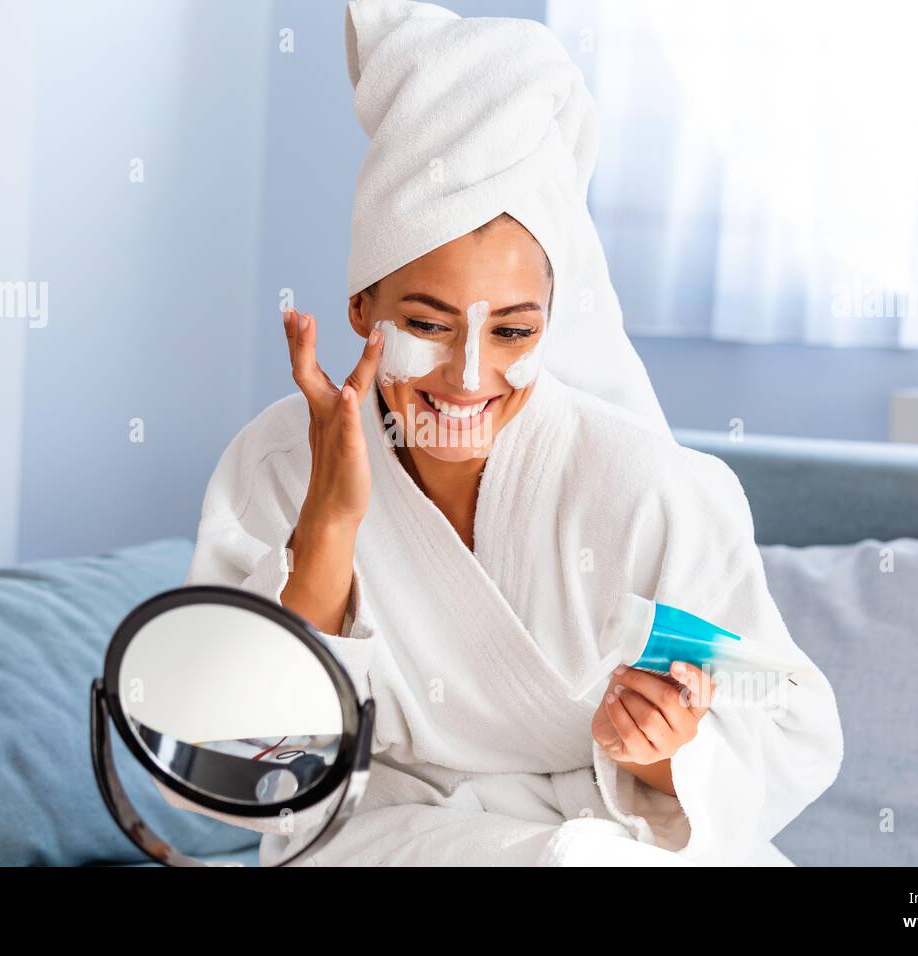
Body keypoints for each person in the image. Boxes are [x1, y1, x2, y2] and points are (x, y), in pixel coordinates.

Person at [155, 0, 843, 866]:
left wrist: (664, 761)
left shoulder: (653, 488)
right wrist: (328, 524)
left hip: (622, 838)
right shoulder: (278, 467)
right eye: (428, 324)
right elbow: (237, 773)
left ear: (554, 323)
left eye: (513, 332)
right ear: (361, 306)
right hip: (385, 842)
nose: (470, 377)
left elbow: (784, 731)